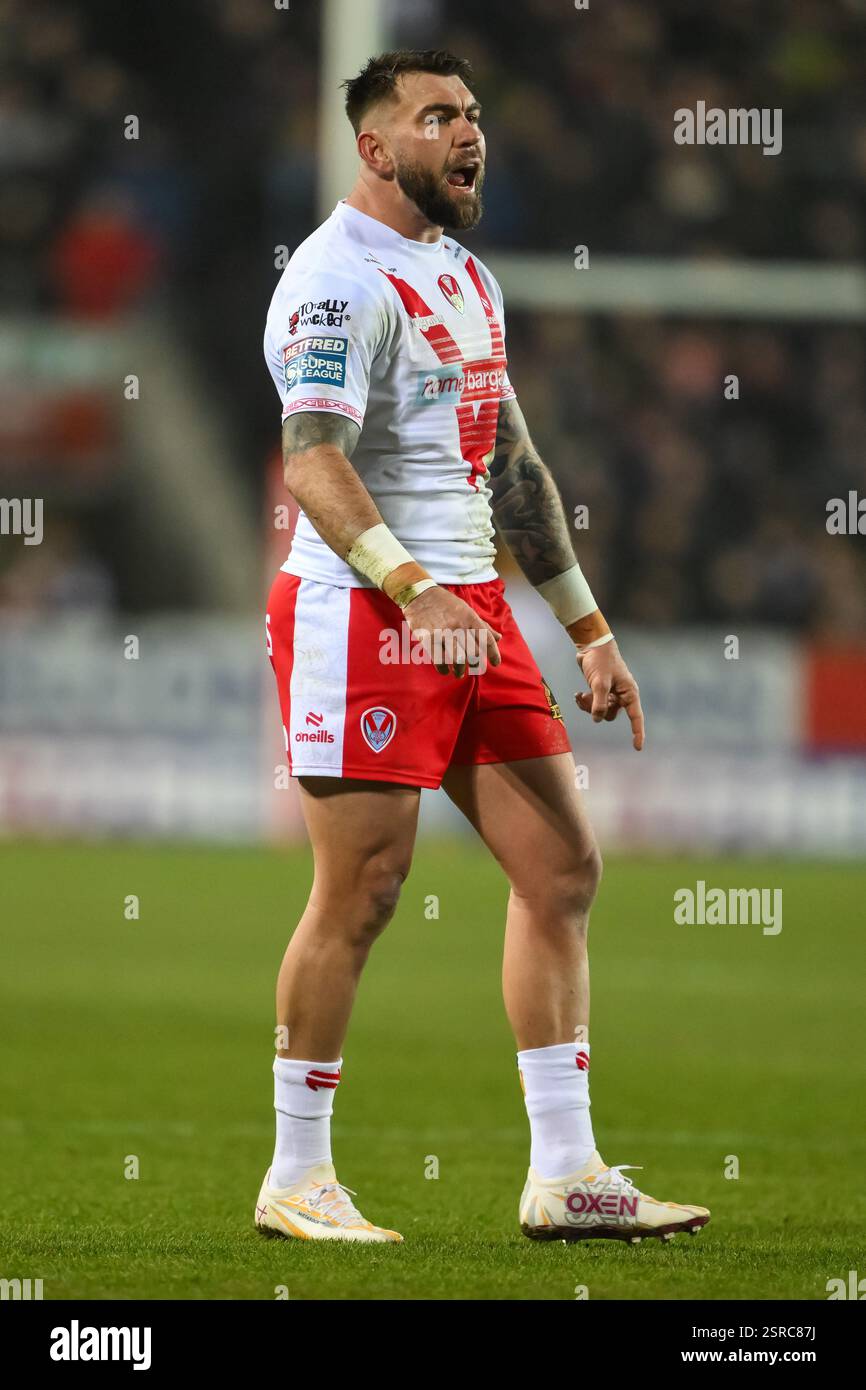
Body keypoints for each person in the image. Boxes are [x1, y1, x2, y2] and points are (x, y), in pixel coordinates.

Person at [256, 49, 709, 1245]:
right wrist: (410, 588)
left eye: (472, 116)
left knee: (562, 871)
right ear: (374, 145)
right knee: (363, 888)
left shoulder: (463, 276)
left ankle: (566, 1174)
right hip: (368, 611)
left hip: (473, 609)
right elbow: (313, 458)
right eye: (437, 118)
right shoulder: (332, 281)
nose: (469, 137)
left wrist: (587, 629)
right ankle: (296, 1175)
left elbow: (508, 468)